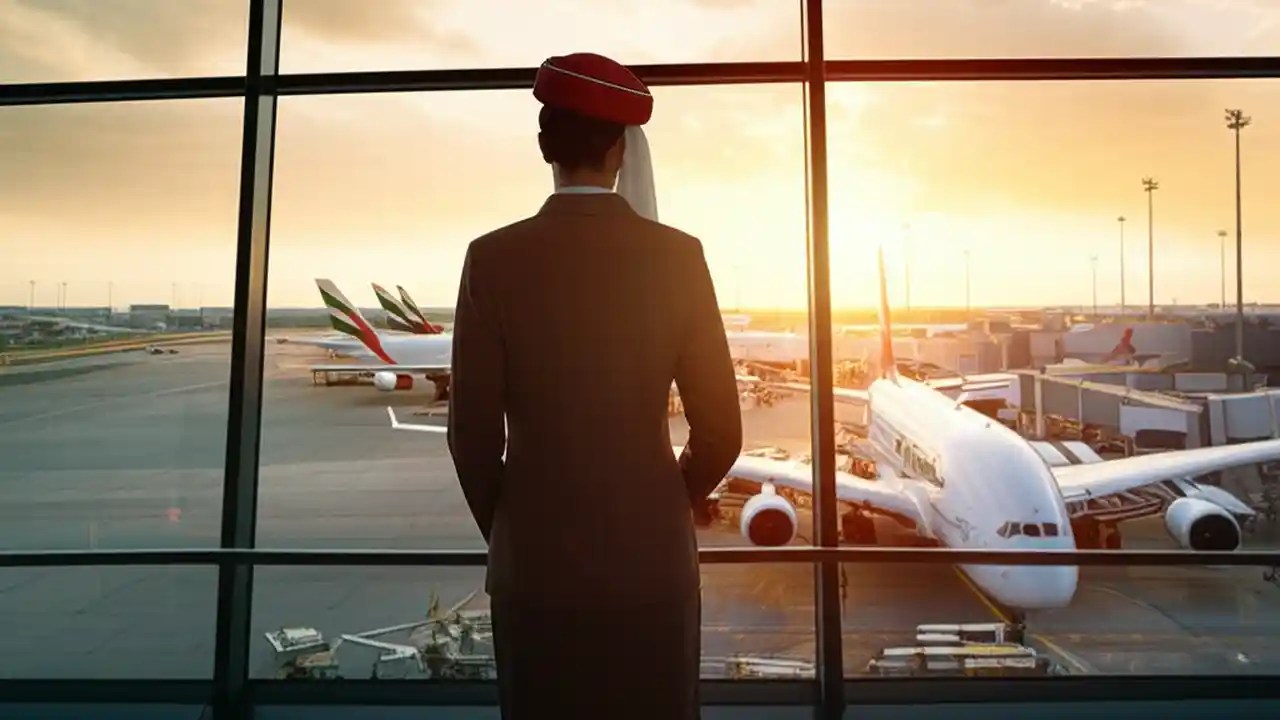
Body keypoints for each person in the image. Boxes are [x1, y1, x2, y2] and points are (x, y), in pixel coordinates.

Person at [446, 52, 743, 719]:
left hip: (536, 572)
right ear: (620, 150)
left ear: (545, 146)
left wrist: (519, 527)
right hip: (652, 568)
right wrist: (662, 500)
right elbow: (721, 431)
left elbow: (470, 438)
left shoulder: (491, 259)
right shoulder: (678, 256)